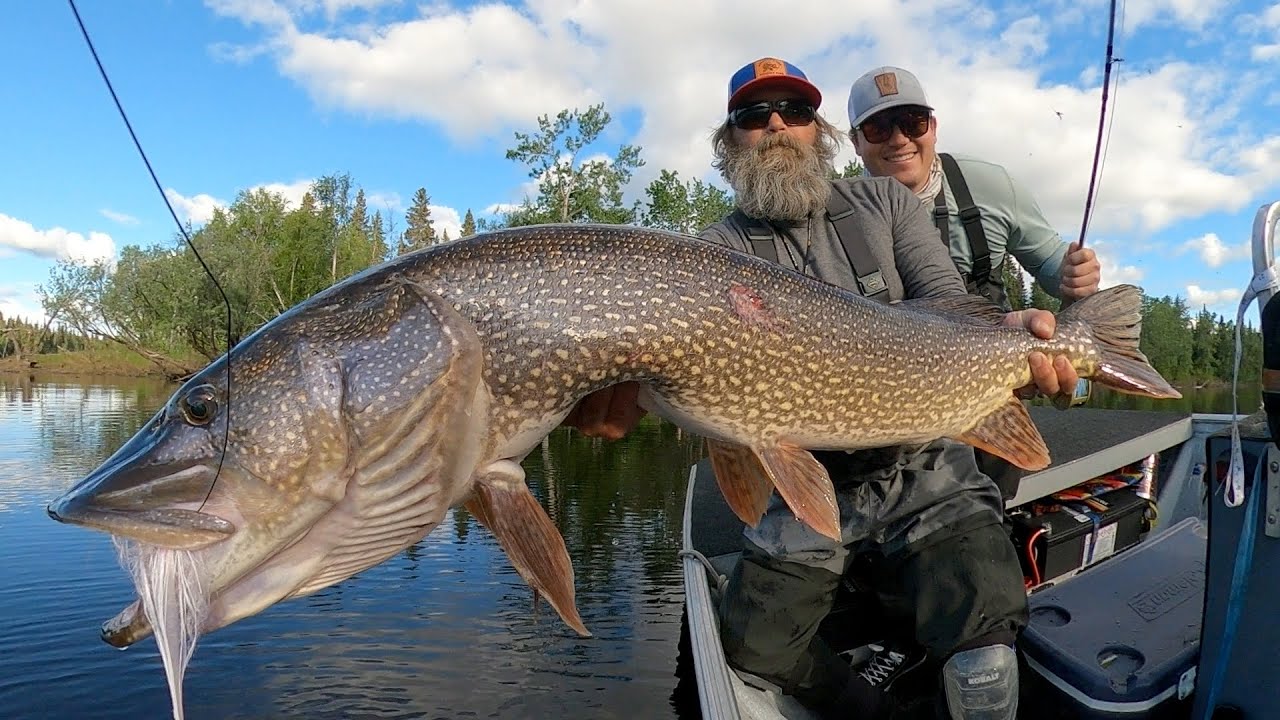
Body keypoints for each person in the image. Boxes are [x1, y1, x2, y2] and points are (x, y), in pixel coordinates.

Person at [563, 57, 1079, 719]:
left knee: (986, 656)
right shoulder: (713, 251)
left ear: (820, 133)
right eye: (754, 116)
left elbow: (948, 307)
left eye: (795, 112)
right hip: (811, 485)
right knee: (752, 652)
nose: (777, 125)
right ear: (731, 143)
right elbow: (692, 391)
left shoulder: (885, 202)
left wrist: (1010, 336)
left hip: (926, 472)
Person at [846, 65, 1101, 312]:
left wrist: (1077, 275)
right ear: (856, 142)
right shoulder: (835, 215)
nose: (899, 139)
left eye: (913, 123)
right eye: (877, 128)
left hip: (993, 349)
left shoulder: (992, 185)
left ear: (933, 128)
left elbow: (1053, 266)